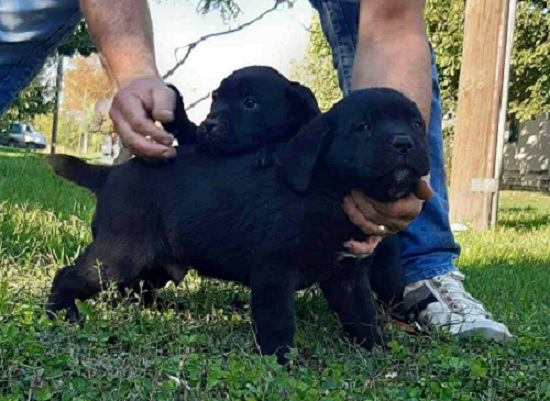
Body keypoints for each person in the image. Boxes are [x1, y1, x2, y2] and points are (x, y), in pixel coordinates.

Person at [0, 0, 512, 340]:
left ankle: (422, 270)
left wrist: (393, 184)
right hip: (169, 212)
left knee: (353, 252)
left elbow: (392, 21)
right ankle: (76, 289)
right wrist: (137, 75)